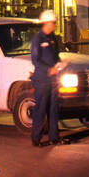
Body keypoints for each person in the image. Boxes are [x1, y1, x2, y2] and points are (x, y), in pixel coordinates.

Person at [30, 9, 63, 147]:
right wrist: (49, 69)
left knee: (54, 109)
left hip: (53, 80)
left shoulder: (53, 38)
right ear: (46, 23)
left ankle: (54, 137)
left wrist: (59, 64)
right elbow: (35, 60)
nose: (55, 25)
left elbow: (56, 56)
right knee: (41, 109)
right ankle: (36, 138)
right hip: (42, 80)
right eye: (53, 23)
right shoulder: (38, 39)